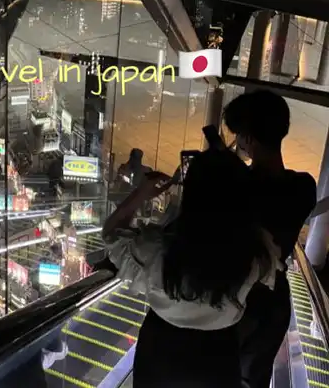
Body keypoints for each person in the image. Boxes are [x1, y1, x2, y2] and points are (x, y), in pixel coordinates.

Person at [102, 149, 282, 388]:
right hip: (220, 357)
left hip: (159, 353)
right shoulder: (255, 253)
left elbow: (112, 234)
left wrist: (142, 193)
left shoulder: (157, 248)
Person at [223, 90, 317, 388]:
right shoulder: (304, 186)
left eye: (238, 134)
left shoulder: (236, 186)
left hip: (236, 299)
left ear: (248, 139)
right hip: (273, 300)